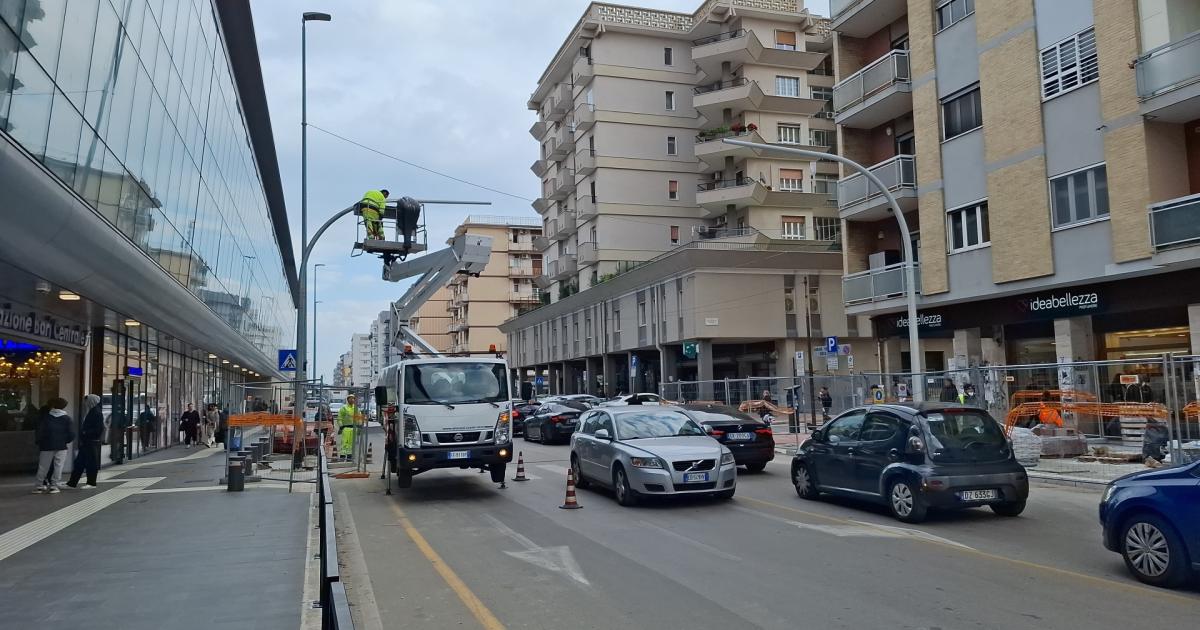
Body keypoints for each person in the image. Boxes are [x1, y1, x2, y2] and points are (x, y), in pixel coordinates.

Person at [33, 398, 74, 494]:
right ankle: (54, 485)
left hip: (46, 445)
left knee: (43, 466)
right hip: (61, 446)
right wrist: (65, 441)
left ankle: (39, 486)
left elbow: (39, 432)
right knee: (58, 466)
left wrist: (39, 442)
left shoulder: (46, 417)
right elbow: (71, 434)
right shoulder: (67, 418)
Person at [68, 394, 104, 489]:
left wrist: (85, 432)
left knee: (90, 462)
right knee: (80, 462)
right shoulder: (92, 411)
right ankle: (72, 483)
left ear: (91, 401)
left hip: (91, 441)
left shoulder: (96, 412)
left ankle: (91, 483)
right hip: (87, 442)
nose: (85, 403)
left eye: (86, 401)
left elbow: (99, 429)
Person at [337, 394, 360, 461]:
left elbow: (359, 418)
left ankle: (349, 456)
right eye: (351, 398)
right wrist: (341, 426)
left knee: (351, 443)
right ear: (348, 399)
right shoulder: (344, 408)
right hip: (346, 428)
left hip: (354, 428)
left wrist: (360, 426)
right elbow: (339, 418)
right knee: (345, 442)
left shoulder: (356, 408)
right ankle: (343, 455)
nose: (352, 400)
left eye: (353, 398)